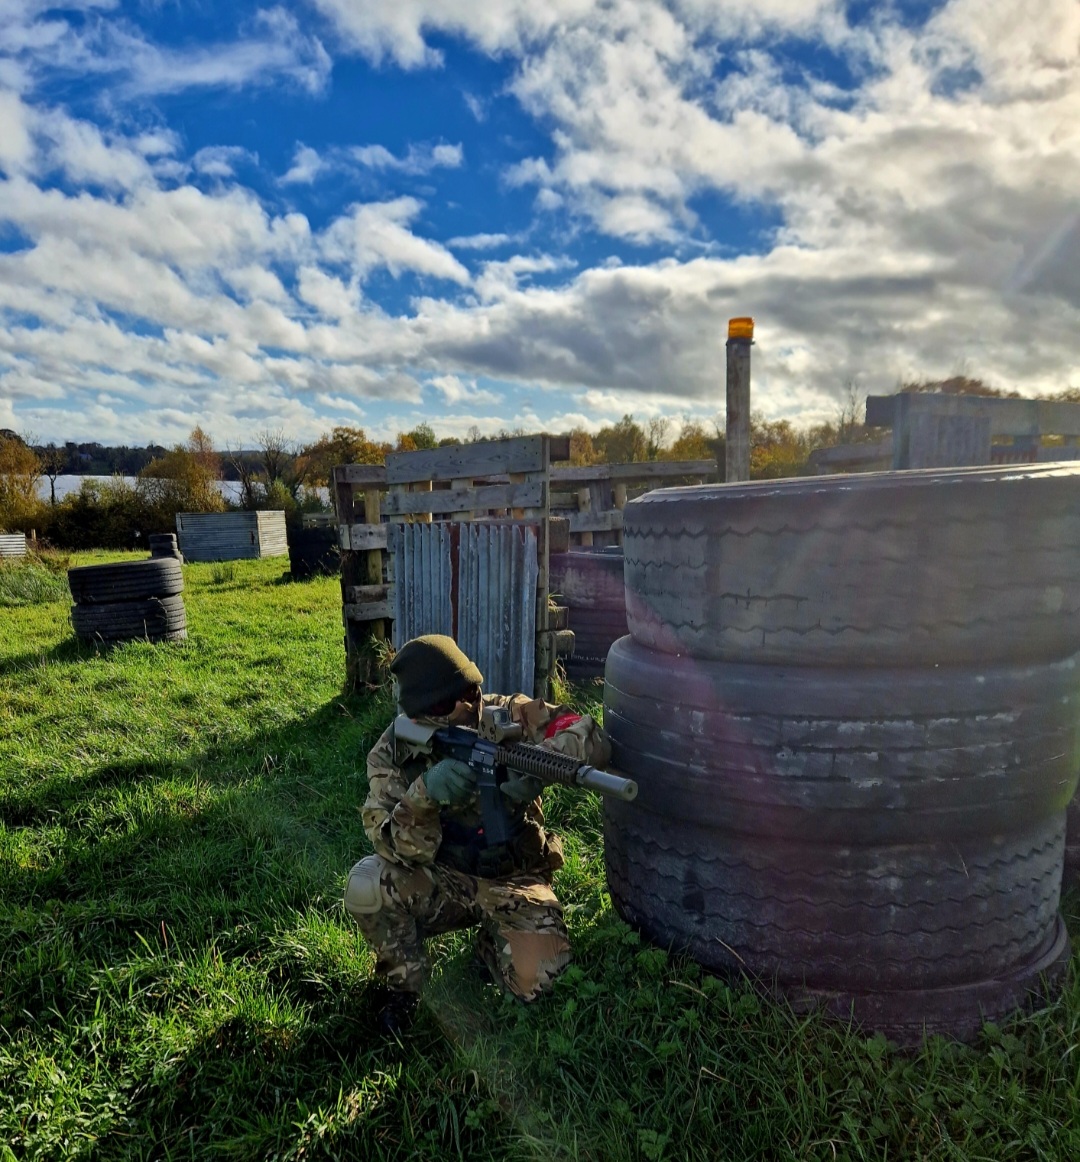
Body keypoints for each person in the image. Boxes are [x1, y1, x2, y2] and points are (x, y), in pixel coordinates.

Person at [344, 634, 612, 1035]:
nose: (468, 705)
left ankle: (492, 946)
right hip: (442, 878)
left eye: (472, 690)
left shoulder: (511, 715)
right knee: (367, 884)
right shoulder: (394, 751)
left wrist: (544, 763)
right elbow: (390, 842)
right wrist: (425, 795)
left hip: (514, 878)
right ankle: (403, 987)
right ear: (422, 713)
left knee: (542, 979)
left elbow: (589, 733)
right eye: (447, 703)